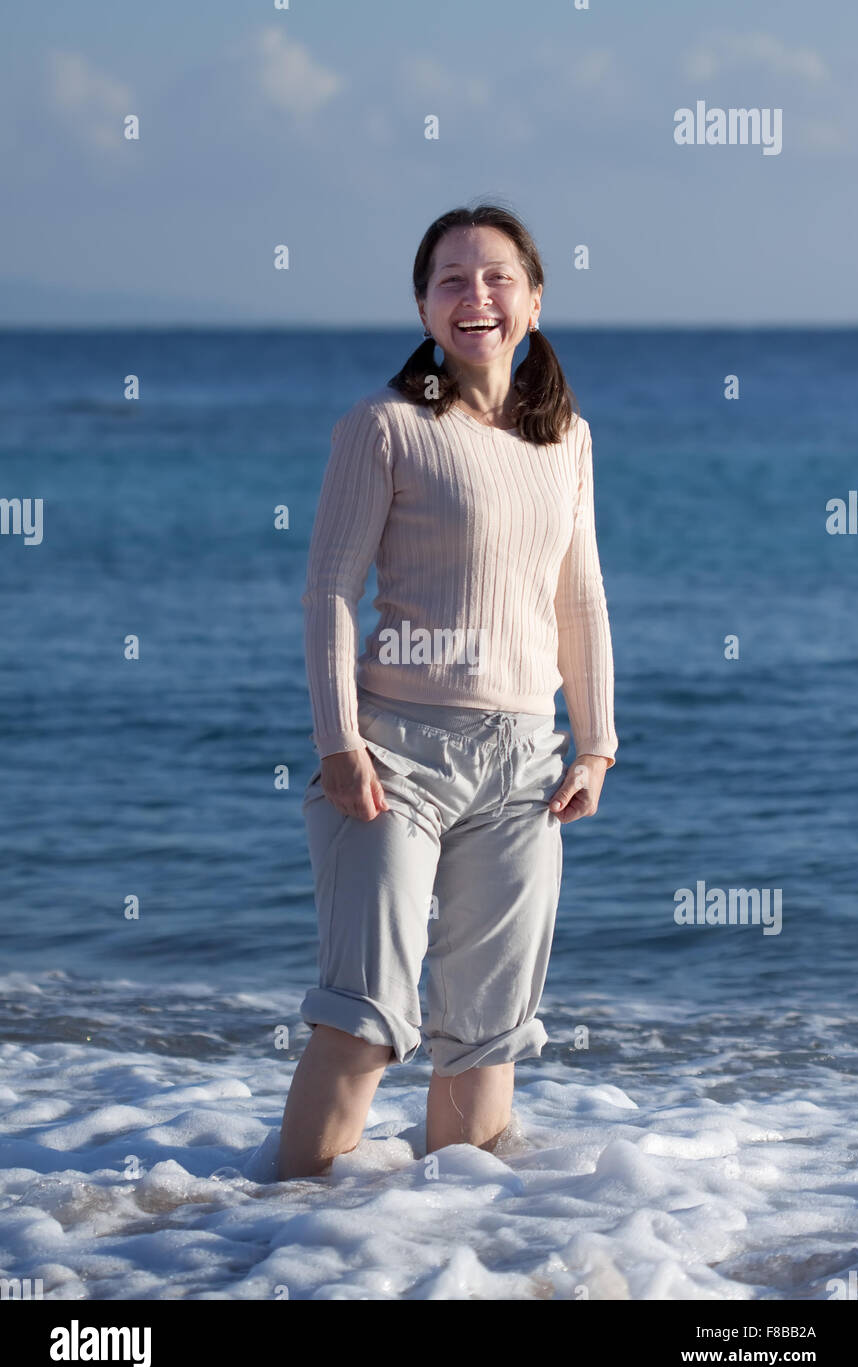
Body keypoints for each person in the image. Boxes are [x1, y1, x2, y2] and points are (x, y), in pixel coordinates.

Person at [277, 202, 617, 1181]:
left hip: (523, 766)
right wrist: (339, 743)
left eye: (496, 276)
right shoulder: (383, 426)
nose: (476, 296)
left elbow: (578, 596)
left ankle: (448, 1258)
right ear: (424, 308)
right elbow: (330, 589)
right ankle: (263, 1247)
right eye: (451, 280)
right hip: (392, 760)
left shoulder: (565, 439)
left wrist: (595, 744)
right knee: (365, 1020)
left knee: (483, 1036)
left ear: (534, 299)